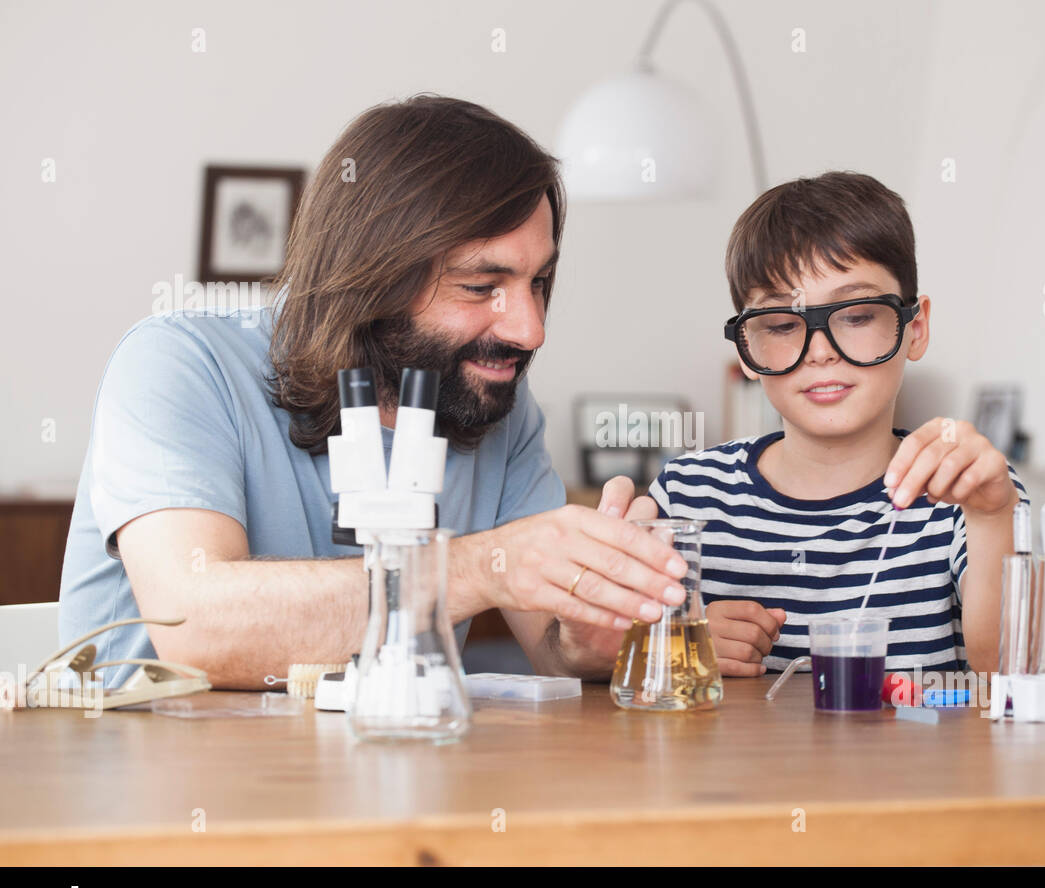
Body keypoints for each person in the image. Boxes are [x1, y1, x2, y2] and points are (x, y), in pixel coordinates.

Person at [58, 95, 677, 690]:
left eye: (538, 281)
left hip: (383, 786)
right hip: (156, 784)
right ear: (374, 279)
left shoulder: (493, 406)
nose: (530, 329)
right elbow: (196, 629)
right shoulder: (179, 363)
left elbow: (553, 650)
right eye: (479, 285)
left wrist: (595, 624)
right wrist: (488, 564)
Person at [649, 172, 1028, 677]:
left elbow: (1010, 679)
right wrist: (681, 644)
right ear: (746, 347)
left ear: (914, 328)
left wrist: (990, 517)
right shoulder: (687, 497)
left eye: (856, 315)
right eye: (783, 324)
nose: (821, 351)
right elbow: (616, 668)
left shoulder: (968, 497)